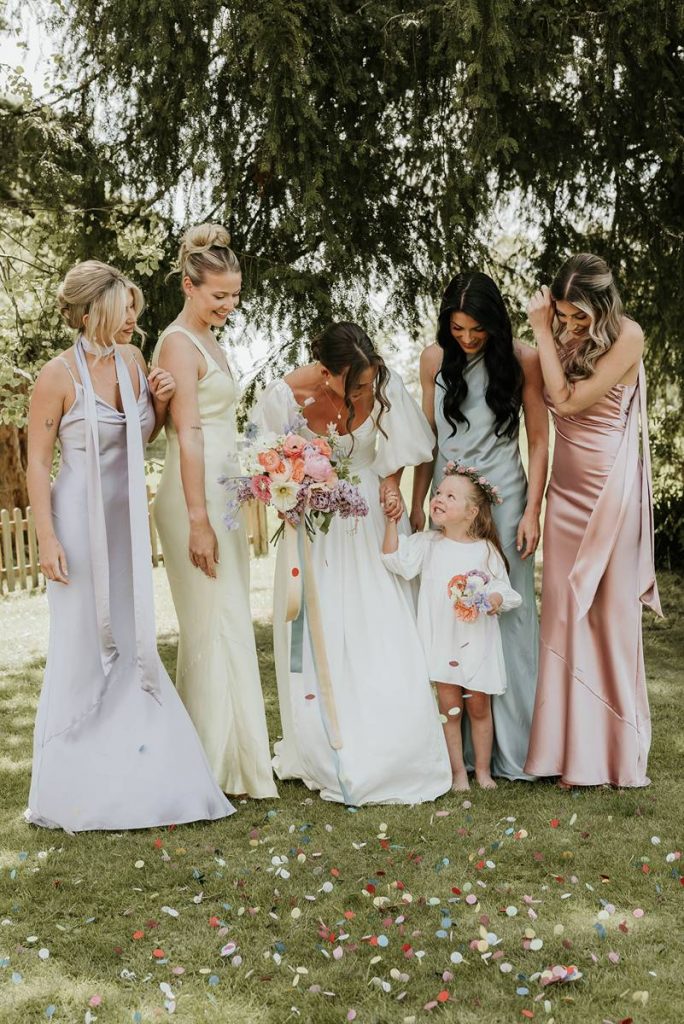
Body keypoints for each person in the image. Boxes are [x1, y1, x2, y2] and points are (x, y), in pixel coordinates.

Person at [25, 260, 234, 831]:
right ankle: (79, 776)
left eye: (135, 314)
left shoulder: (135, 361)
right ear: (90, 312)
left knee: (131, 625)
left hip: (125, 520)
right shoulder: (56, 376)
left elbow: (141, 435)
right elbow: (38, 463)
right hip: (75, 521)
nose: (133, 325)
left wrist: (160, 401)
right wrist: (47, 539)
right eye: (123, 314)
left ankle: (140, 760)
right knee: (83, 637)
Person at [251, 322, 452, 805]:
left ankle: (394, 743)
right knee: (326, 624)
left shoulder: (379, 380)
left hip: (366, 518)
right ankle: (321, 740)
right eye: (355, 385)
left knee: (379, 624)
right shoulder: (281, 398)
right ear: (326, 373)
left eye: (368, 382)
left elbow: (403, 445)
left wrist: (388, 482)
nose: (365, 391)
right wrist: (288, 492)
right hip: (314, 529)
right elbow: (263, 462)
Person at [524, 253, 662, 787]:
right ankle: (565, 753)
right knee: (562, 614)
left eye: (580, 316)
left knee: (609, 616)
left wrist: (539, 329)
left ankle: (612, 753)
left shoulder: (628, 335)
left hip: (610, 490)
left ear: (603, 305)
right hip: (564, 494)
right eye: (562, 314)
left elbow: (568, 399)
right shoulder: (558, 340)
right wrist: (546, 334)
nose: (570, 325)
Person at [152, 223, 277, 800]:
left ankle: (234, 760)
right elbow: (189, 435)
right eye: (219, 295)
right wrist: (199, 519)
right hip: (192, 497)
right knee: (211, 621)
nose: (230, 305)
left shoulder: (209, 337)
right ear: (188, 285)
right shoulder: (178, 342)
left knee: (228, 618)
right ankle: (208, 763)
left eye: (235, 294)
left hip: (221, 495)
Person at [411, 272, 548, 779]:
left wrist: (533, 508)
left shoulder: (523, 359)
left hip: (507, 501)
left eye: (478, 329)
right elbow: (427, 440)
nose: (468, 338)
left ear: (496, 323)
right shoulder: (432, 360)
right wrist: (418, 501)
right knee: (450, 611)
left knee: (506, 612)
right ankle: (460, 754)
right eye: (459, 328)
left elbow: (538, 439)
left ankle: (515, 749)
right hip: (449, 502)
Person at [383, 464, 521, 790]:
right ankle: (458, 772)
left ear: (471, 512)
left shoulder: (485, 550)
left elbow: (507, 590)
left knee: (479, 707)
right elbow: (393, 560)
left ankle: (483, 771)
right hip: (443, 643)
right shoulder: (427, 543)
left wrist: (495, 599)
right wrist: (391, 523)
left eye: (450, 496)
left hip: (477, 644)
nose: (439, 498)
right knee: (450, 709)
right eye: (439, 493)